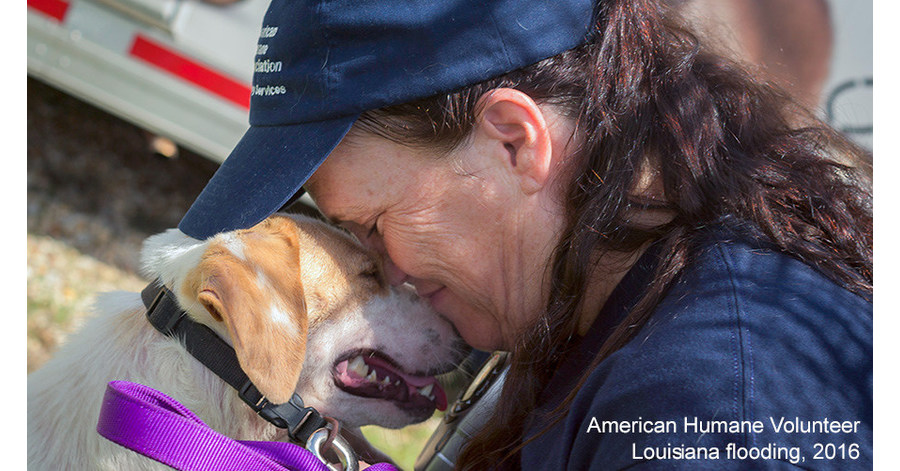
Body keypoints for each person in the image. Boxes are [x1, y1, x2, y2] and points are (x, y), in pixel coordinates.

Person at [178, 0, 873, 469]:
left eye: (372, 225)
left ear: (513, 142)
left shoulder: (717, 411)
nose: (387, 269)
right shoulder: (598, 295)